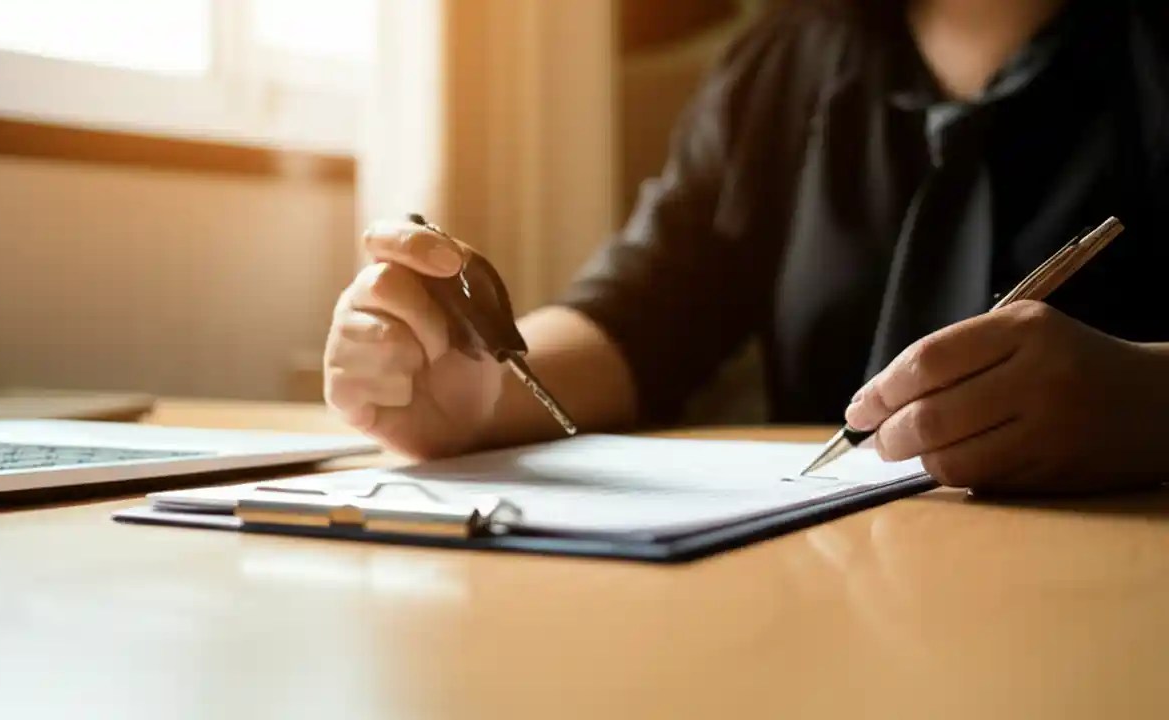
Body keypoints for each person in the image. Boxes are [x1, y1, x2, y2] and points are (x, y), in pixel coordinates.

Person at [324, 0, 1169, 493]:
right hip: (829, 590)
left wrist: (1149, 405)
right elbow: (644, 310)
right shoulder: (788, 59)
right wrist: (483, 384)